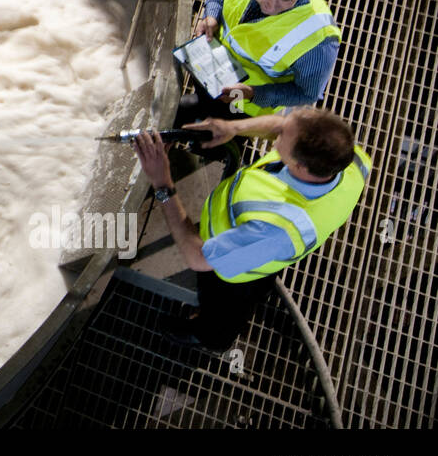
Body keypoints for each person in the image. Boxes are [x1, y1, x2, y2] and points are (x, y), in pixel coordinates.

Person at [133, 107, 370, 352]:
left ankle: (210, 339)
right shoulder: (349, 157)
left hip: (234, 272)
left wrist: (162, 182)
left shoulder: (278, 229)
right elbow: (280, 122)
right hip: (262, 249)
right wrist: (233, 128)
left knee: (225, 309)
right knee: (261, 280)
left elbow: (198, 258)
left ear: (300, 167)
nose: (274, 141)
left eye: (280, 139)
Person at [179, 0, 341, 125]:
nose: (271, 7)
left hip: (243, 105)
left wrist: (254, 93)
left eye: (286, 0)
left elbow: (307, 93)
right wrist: (212, 13)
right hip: (211, 63)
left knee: (213, 136)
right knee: (198, 107)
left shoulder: (319, 38)